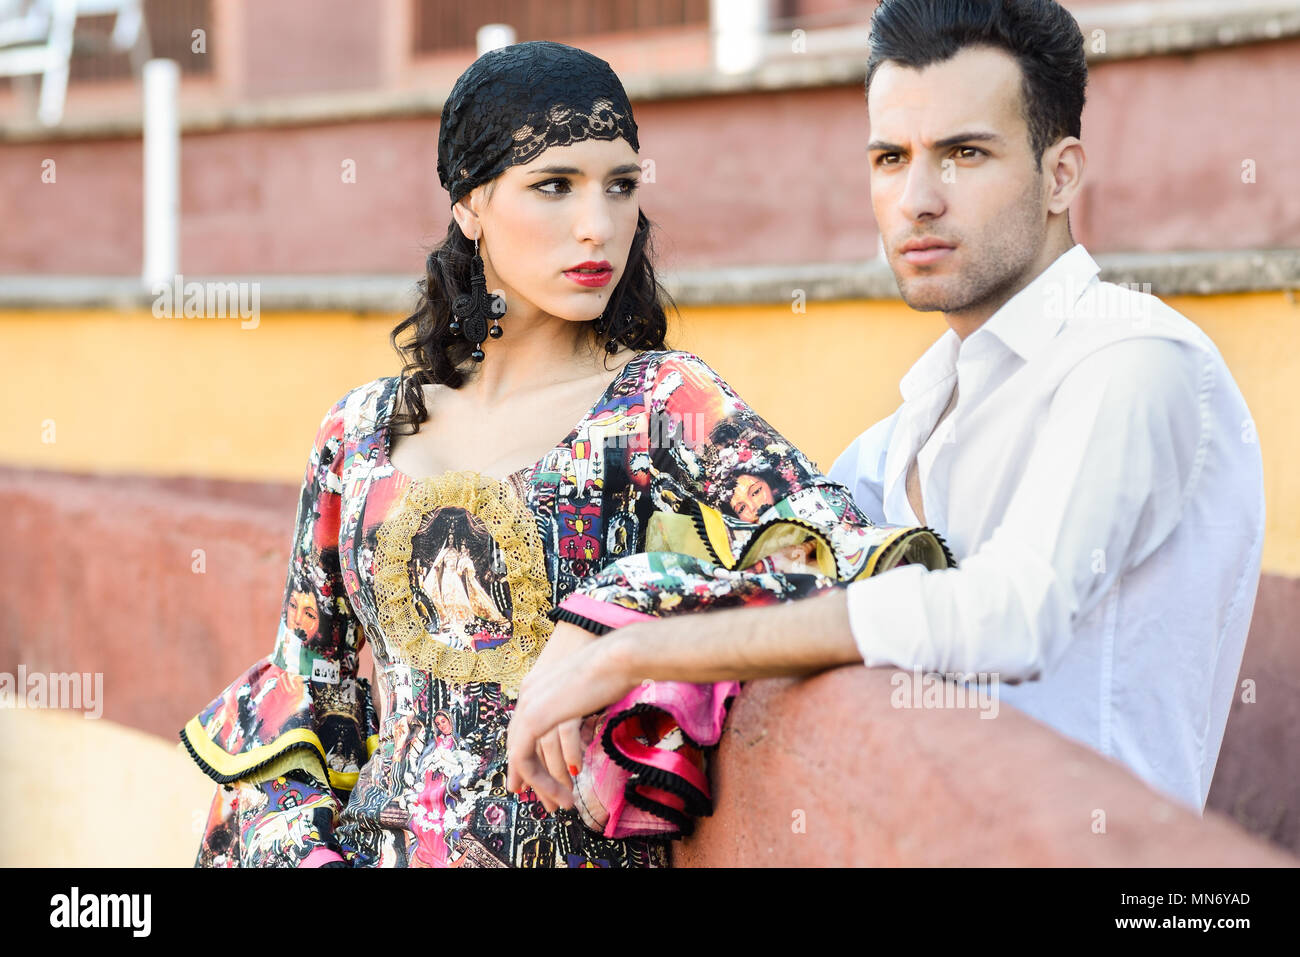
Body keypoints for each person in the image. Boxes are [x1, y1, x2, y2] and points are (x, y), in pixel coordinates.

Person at [179, 40, 951, 868]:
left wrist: (623, 613)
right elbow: (305, 684)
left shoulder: (663, 405)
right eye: (554, 186)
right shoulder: (358, 436)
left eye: (621, 186)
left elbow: (855, 565)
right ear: (470, 206)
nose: (599, 225)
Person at [506, 0, 1266, 817]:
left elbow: (1010, 615)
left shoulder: (1133, 360)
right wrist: (612, 609)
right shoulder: (898, 435)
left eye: (964, 153)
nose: (917, 199)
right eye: (890, 157)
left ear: (1061, 173)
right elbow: (784, 593)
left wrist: (638, 653)